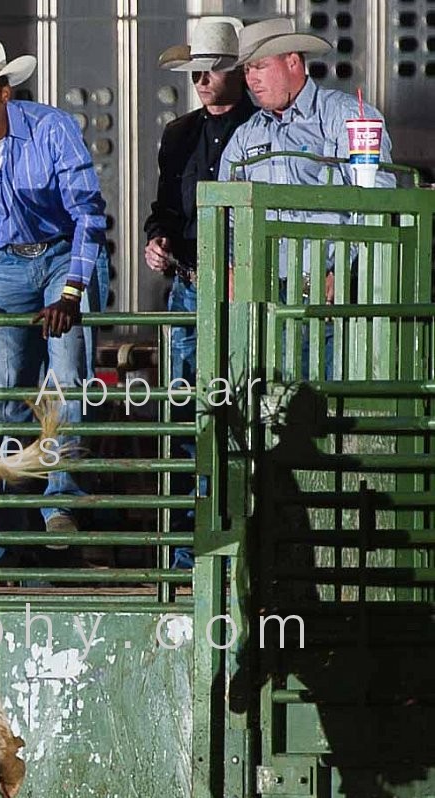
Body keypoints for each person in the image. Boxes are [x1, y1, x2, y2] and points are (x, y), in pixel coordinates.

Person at [0, 33, 110, 568]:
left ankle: (61, 500)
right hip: (6, 264)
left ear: (4, 91)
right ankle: (0, 519)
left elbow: (86, 213)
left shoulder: (51, 129)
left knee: (66, 376)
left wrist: (73, 288)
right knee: (5, 392)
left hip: (60, 256)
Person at [221, 18, 393, 376]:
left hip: (338, 290)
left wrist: (342, 270)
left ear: (293, 62)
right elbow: (229, 216)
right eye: (248, 70)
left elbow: (376, 203)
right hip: (269, 297)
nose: (251, 79)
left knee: (335, 401)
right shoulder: (245, 136)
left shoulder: (345, 116)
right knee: (277, 402)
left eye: (260, 67)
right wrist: (233, 268)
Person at [144, 17, 255, 572]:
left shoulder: (261, 128)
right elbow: (165, 206)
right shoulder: (179, 133)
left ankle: (233, 542)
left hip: (239, 287)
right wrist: (156, 240)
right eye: (197, 73)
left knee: (239, 405)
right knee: (187, 409)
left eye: (213, 70)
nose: (203, 81)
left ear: (237, 72)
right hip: (189, 285)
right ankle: (196, 548)